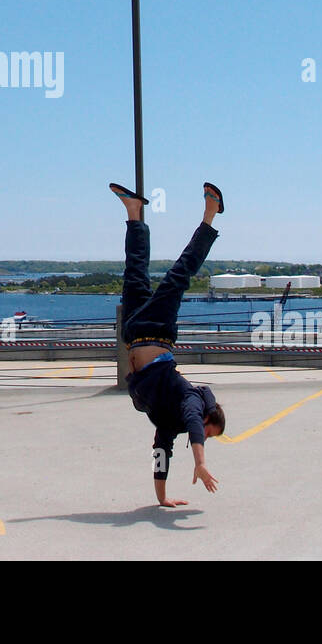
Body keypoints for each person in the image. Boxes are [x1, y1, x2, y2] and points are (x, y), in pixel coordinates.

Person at [111, 180, 227, 507]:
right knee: (179, 275)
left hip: (134, 334)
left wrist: (161, 499)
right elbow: (194, 423)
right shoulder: (190, 401)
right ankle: (210, 213)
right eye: (208, 432)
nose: (202, 437)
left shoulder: (168, 421)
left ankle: (135, 213)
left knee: (134, 274)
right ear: (206, 417)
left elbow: (160, 452)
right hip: (156, 331)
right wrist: (201, 463)